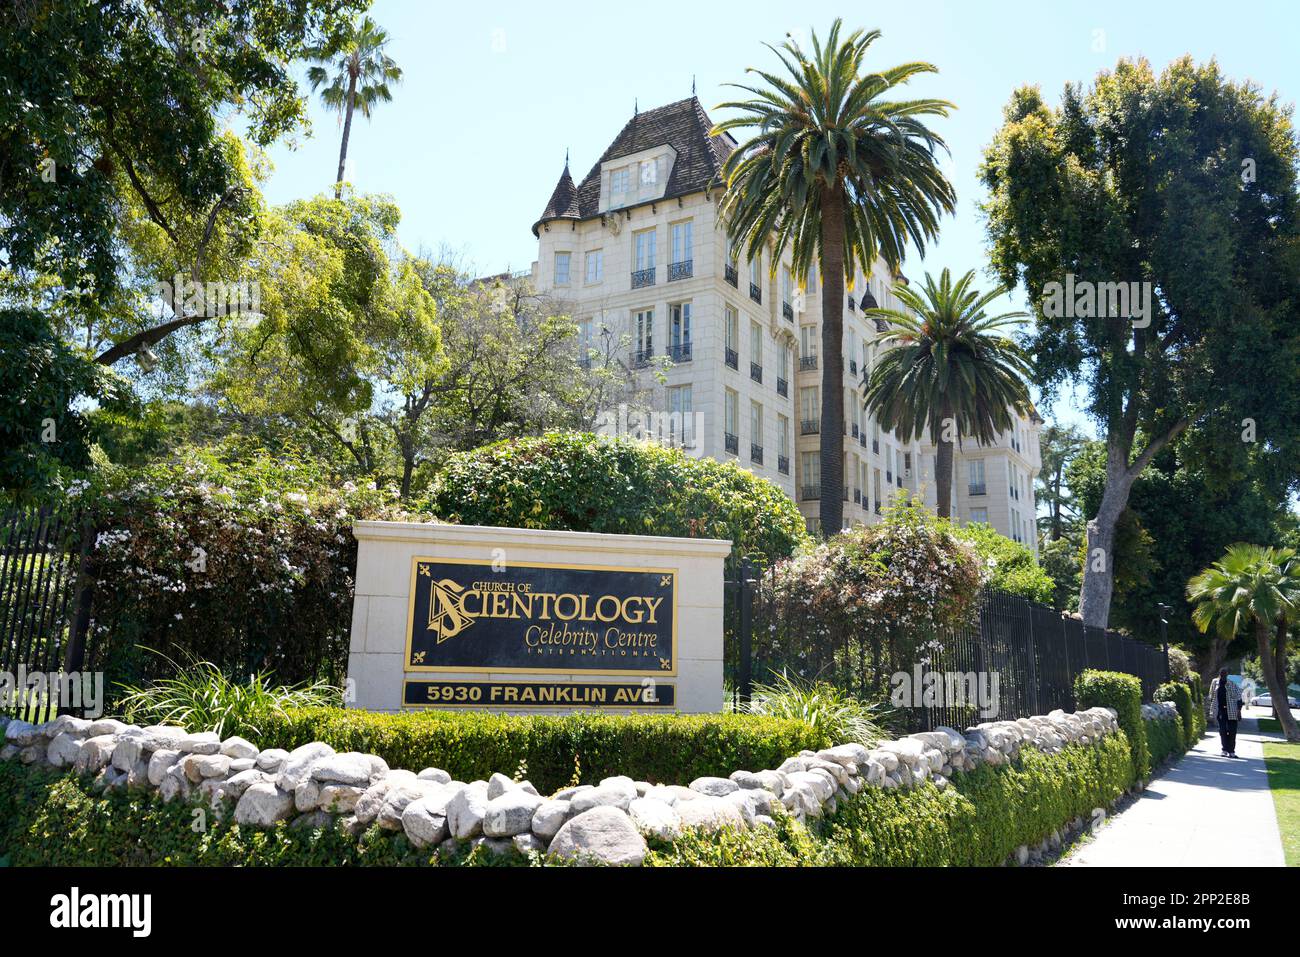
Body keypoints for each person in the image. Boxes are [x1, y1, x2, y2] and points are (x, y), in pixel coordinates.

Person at [1207, 668, 1244, 758]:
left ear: (1227, 674)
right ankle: (1224, 749)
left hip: (1232, 710)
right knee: (1222, 731)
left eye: (1225, 673)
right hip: (1221, 710)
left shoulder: (1232, 684)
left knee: (1232, 731)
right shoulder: (1215, 682)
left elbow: (1239, 698)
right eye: (1221, 673)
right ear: (1219, 674)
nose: (1223, 675)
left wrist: (1239, 711)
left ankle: (1231, 751)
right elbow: (1211, 695)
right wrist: (1214, 708)